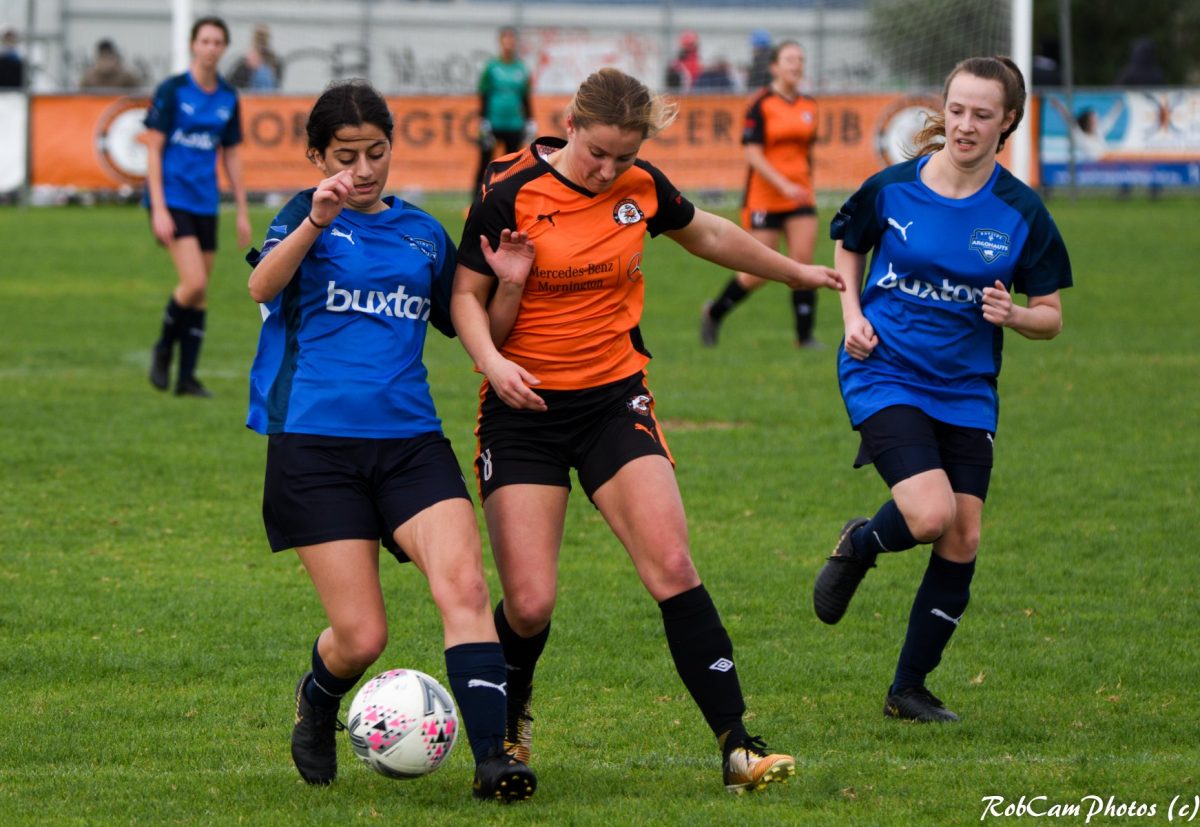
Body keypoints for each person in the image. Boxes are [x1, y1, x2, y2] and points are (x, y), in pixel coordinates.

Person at [451, 67, 844, 794]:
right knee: (530, 602)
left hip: (613, 402)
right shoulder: (508, 192)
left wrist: (792, 271)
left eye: (623, 157)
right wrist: (492, 362)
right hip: (524, 411)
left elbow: (712, 233)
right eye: (597, 152)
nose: (607, 170)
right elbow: (465, 297)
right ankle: (510, 719)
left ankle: (737, 745)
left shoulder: (642, 186)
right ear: (570, 124)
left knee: (672, 563)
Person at [245, 78, 537, 802]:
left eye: (378, 152)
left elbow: (478, 335)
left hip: (409, 441)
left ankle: (493, 759)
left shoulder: (423, 234)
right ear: (317, 155)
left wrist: (507, 284)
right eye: (347, 155)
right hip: (315, 447)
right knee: (361, 636)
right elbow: (261, 285)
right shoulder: (302, 215)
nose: (366, 168)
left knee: (466, 586)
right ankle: (317, 698)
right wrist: (314, 221)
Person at [811, 56, 1072, 723]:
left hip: (966, 387)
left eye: (982, 114)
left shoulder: (1021, 211)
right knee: (930, 516)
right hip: (886, 367)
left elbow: (1050, 314)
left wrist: (1014, 314)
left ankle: (908, 688)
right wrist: (852, 319)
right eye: (956, 109)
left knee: (964, 536)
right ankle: (863, 544)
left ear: (1007, 121)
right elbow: (847, 242)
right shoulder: (893, 188)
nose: (964, 125)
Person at [143, 16, 251, 397]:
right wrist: (157, 207)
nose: (211, 48)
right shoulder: (172, 90)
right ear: (193, 45)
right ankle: (162, 348)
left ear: (223, 48)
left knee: (201, 294)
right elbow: (153, 151)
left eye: (217, 42)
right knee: (194, 283)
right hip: (172, 199)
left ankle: (186, 378)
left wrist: (240, 209)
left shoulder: (227, 97)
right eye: (204, 41)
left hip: (205, 202)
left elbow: (232, 156)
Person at [700, 41, 822, 349]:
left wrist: (803, 184)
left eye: (800, 59)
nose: (797, 65)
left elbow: (804, 153)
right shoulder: (761, 103)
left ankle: (804, 338)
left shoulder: (810, 105)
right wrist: (782, 184)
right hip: (765, 197)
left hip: (800, 196)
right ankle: (714, 313)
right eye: (790, 59)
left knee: (803, 263)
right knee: (758, 271)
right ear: (774, 67)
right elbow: (753, 154)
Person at [472, 26, 534, 197]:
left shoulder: (521, 68)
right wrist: (483, 120)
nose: (509, 43)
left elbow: (525, 97)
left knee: (512, 166)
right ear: (501, 42)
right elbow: (484, 94)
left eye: (512, 40)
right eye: (506, 39)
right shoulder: (492, 67)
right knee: (484, 163)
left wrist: (530, 121)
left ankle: (506, 200)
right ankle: (475, 200)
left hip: (514, 124)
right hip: (493, 123)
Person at [229, 24, 282, 91]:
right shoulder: (244, 61)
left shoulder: (275, 62)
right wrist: (247, 68)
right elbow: (232, 83)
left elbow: (277, 86)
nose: (261, 39)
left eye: (263, 36)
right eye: (259, 36)